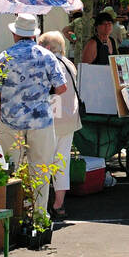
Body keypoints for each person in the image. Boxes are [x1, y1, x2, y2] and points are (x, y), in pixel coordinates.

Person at [0, 13, 68, 219]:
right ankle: (39, 217)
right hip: (41, 122)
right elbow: (61, 87)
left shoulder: (4, 56)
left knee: (8, 171)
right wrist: (43, 93)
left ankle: (9, 217)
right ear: (34, 34)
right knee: (41, 170)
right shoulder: (46, 55)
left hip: (11, 122)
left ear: (14, 33)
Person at [38, 30, 80, 222]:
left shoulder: (49, 63)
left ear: (47, 47)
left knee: (44, 162)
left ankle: (42, 204)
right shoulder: (69, 64)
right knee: (62, 163)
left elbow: (49, 92)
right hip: (70, 117)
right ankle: (59, 204)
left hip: (53, 118)